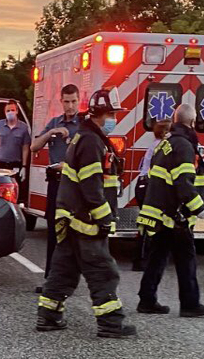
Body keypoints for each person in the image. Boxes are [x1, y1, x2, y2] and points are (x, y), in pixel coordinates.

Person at [36, 88, 136, 338]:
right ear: (101, 115)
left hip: (72, 217)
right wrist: (104, 218)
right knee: (102, 270)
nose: (114, 119)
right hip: (85, 219)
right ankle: (111, 324)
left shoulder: (86, 136)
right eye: (112, 114)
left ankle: (48, 316)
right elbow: (92, 186)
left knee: (64, 270)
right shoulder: (91, 141)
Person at [136, 104, 204, 317]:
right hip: (174, 214)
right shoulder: (184, 146)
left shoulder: (165, 142)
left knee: (158, 255)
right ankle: (190, 304)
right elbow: (183, 184)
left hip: (160, 211)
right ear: (192, 123)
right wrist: (200, 210)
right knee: (186, 258)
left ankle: (147, 299)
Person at [31, 84, 81, 279]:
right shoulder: (54, 123)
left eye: (74, 101)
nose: (70, 106)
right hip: (56, 183)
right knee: (53, 229)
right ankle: (51, 278)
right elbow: (35, 146)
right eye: (66, 101)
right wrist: (51, 133)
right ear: (61, 101)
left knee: (74, 230)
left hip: (75, 184)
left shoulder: (83, 125)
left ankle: (70, 277)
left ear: (79, 100)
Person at [132, 119, 171, 272]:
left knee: (145, 224)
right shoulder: (160, 146)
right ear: (165, 133)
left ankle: (142, 259)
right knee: (150, 224)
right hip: (148, 187)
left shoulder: (155, 144)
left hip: (143, 185)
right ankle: (143, 260)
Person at [0, 100, 31, 174]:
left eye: (12, 110)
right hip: (0, 164)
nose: (10, 112)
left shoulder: (23, 127)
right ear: (5, 112)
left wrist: (24, 166)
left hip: (15, 164)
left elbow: (25, 148)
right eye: (8, 111)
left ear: (17, 111)